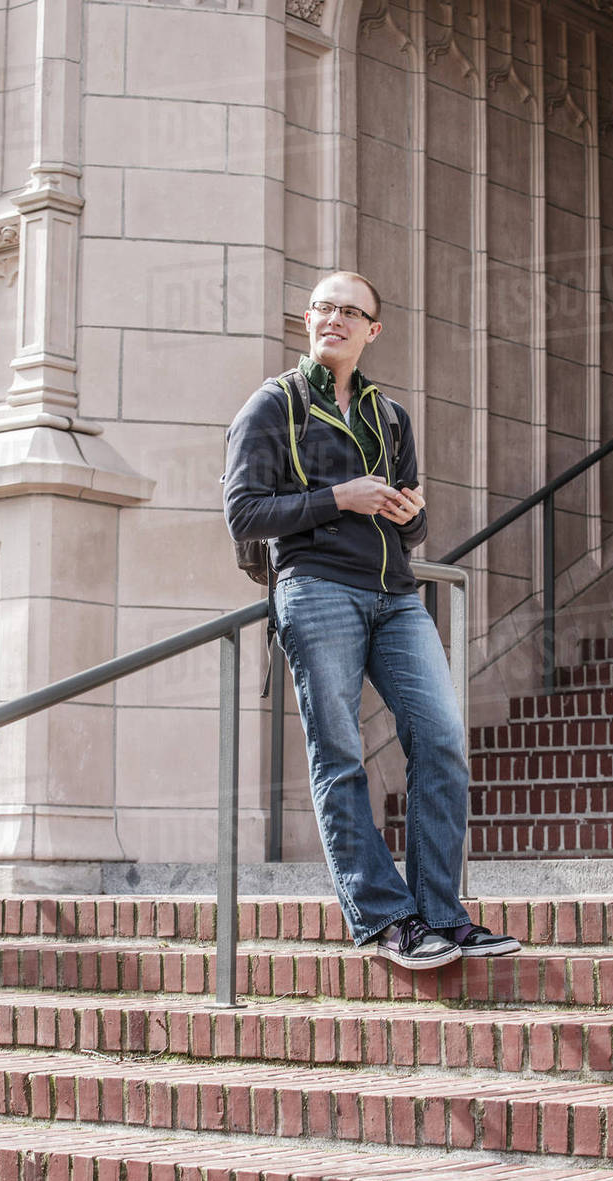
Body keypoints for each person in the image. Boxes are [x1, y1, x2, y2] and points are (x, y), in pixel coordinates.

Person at [224, 271, 520, 968]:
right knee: (340, 757)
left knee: (442, 739)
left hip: (395, 596)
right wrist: (338, 498)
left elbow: (412, 529)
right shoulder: (272, 406)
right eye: (325, 307)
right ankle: (387, 921)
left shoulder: (390, 416)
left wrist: (412, 517)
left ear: (371, 331)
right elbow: (243, 513)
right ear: (307, 320)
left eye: (351, 312)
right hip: (317, 590)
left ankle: (441, 917)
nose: (336, 319)